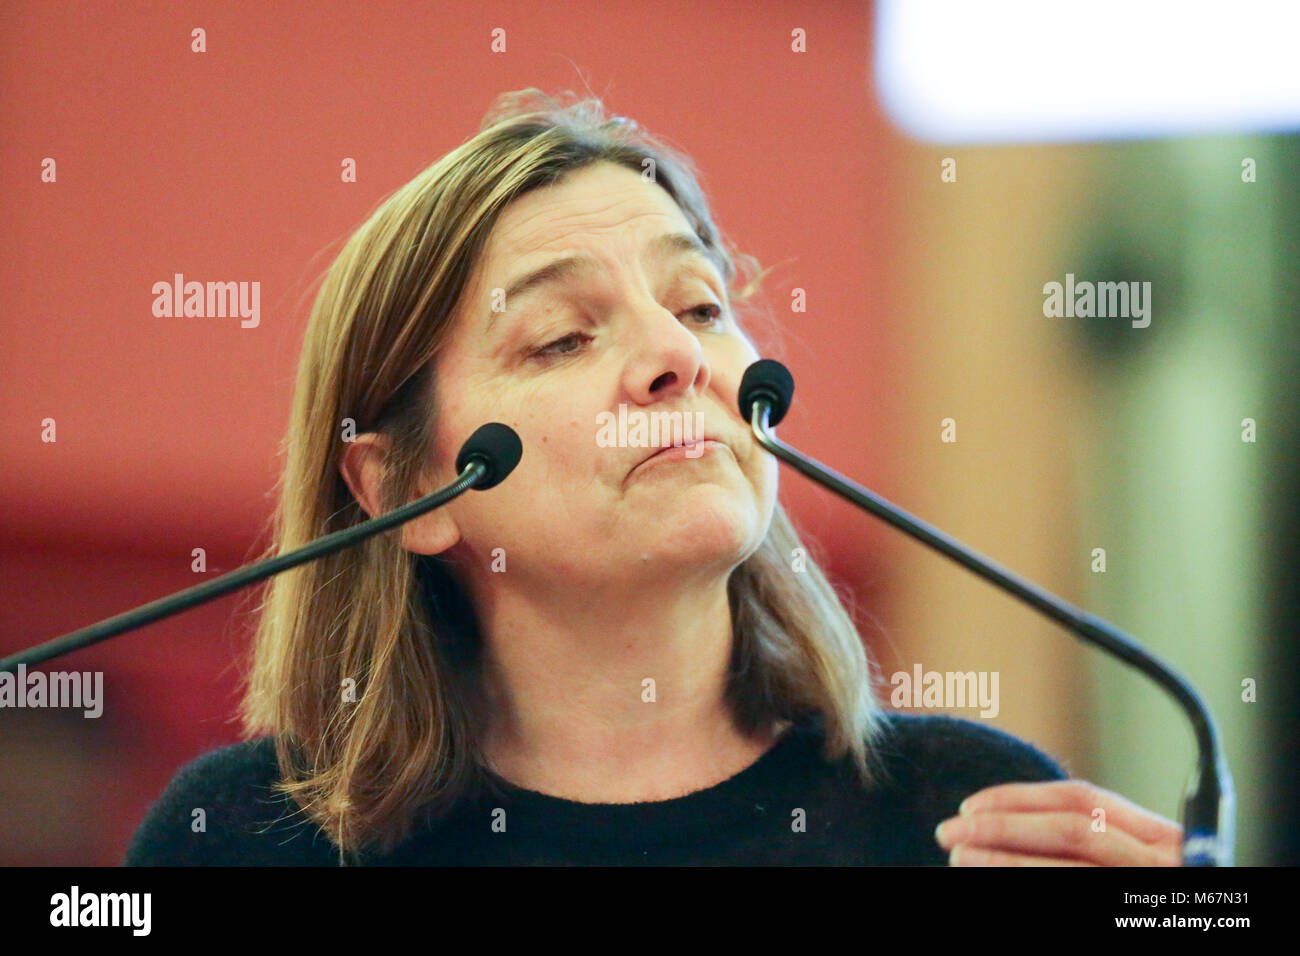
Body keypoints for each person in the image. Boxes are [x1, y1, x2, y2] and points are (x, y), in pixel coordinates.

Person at [126, 88, 1183, 867]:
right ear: (402, 486)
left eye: (698, 306)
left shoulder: (964, 810)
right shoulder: (241, 837)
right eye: (561, 338)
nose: (676, 358)